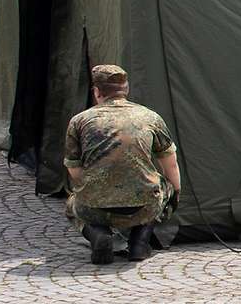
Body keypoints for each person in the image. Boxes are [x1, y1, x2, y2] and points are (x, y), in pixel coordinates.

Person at [64, 63, 179, 265]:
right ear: (126, 89)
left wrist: (94, 188)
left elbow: (74, 169)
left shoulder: (79, 121)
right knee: (166, 187)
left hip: (95, 208)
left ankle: (98, 234)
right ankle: (140, 242)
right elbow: (170, 164)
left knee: (72, 203)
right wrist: (175, 194)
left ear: (97, 92)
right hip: (144, 207)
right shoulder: (150, 117)